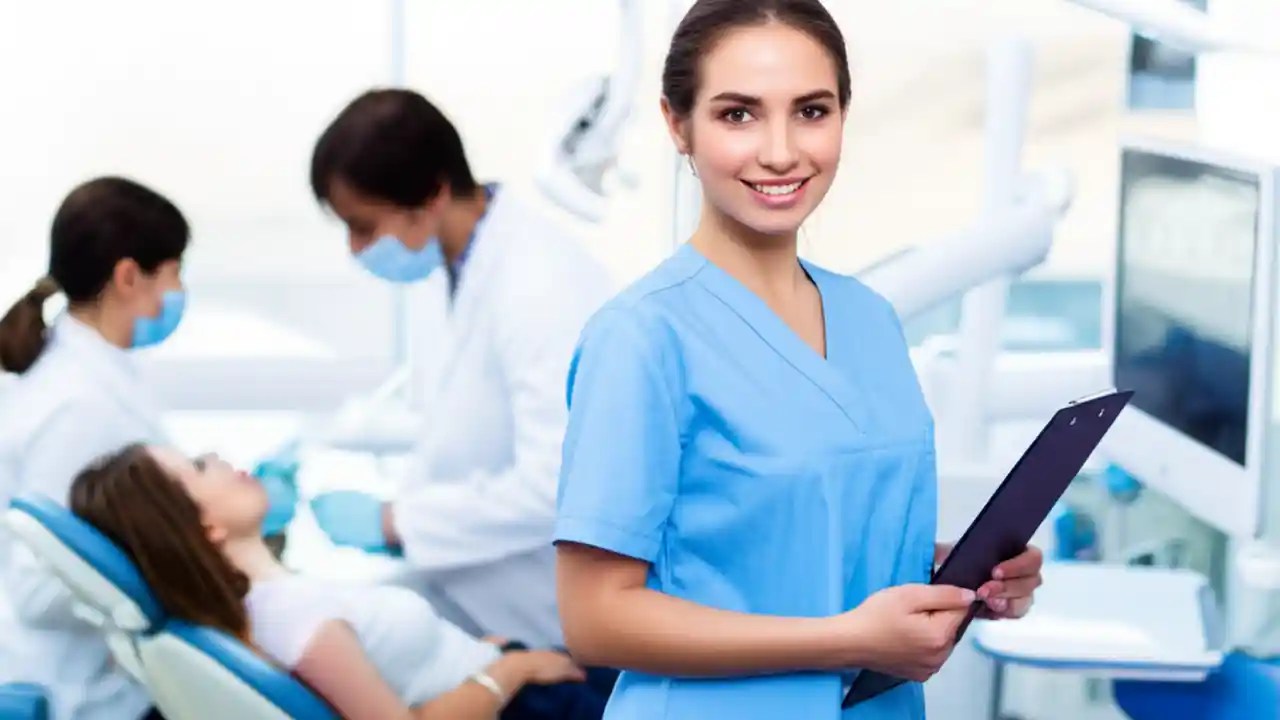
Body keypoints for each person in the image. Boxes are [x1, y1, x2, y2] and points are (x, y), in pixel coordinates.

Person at [552, 2, 1045, 719]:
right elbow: (595, 618)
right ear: (676, 124)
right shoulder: (641, 337)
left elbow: (811, 537)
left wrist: (958, 578)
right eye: (738, 115)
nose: (781, 151)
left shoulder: (869, 319)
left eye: (811, 111)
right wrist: (847, 638)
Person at [304, 89, 614, 646]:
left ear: (433, 196)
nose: (354, 250)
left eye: (364, 227)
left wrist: (399, 522)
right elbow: (467, 420)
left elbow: (561, 487)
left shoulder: (540, 285)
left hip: (542, 614)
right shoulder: (455, 266)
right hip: (476, 591)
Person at [69, 443, 615, 720]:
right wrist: (511, 670)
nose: (220, 458)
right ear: (206, 527)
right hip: (527, 704)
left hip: (510, 677)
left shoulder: (279, 601)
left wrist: (484, 655)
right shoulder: (294, 621)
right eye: (198, 465)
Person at [0, 177, 190, 720]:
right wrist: (169, 557)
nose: (179, 294)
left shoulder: (97, 372)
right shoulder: (76, 404)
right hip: (75, 690)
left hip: (106, 677)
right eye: (175, 275)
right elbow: (37, 589)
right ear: (130, 276)